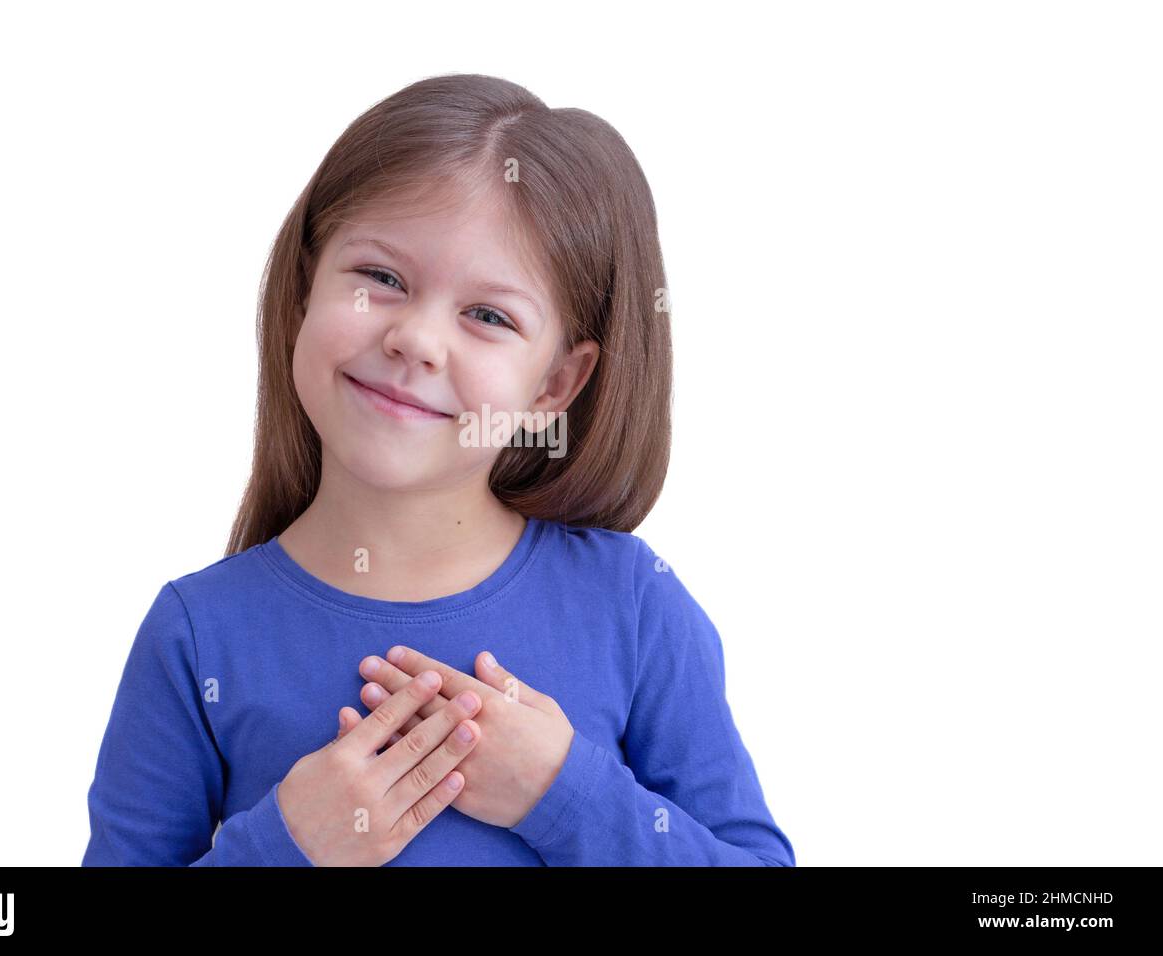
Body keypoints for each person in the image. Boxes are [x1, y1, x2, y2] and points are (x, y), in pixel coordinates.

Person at [82, 73, 795, 867]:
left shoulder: (633, 604)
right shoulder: (194, 634)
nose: (416, 339)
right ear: (305, 288)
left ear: (555, 384)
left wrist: (563, 794)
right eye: (381, 278)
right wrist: (289, 846)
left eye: (488, 316)